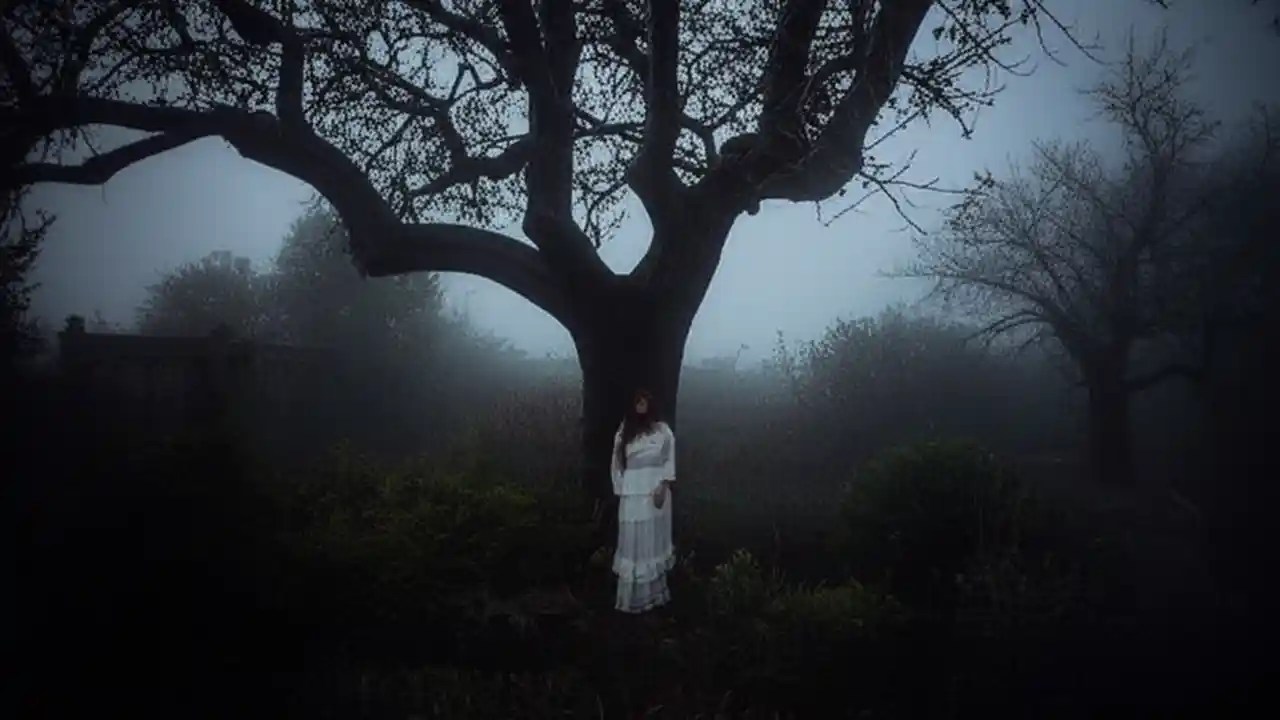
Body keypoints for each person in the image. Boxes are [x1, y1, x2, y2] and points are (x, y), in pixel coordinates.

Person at [610, 388, 677, 613]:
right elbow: (617, 465)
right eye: (637, 401)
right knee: (633, 543)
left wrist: (664, 485)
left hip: (656, 495)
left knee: (651, 542)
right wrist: (622, 490)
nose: (641, 405)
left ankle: (654, 599)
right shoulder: (623, 432)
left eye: (644, 401)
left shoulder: (662, 431)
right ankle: (631, 599)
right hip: (632, 496)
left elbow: (669, 460)